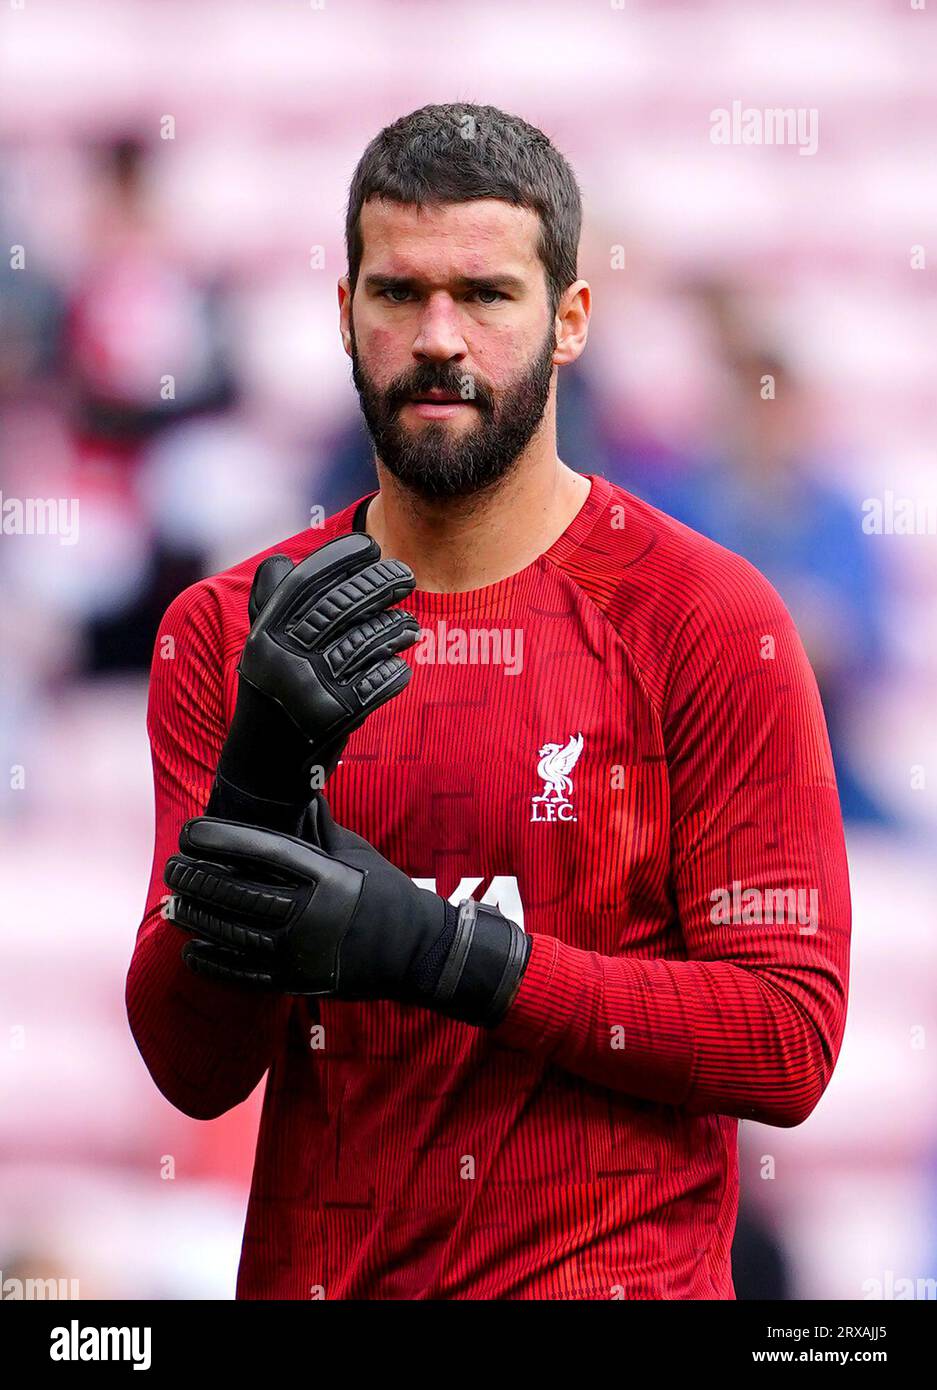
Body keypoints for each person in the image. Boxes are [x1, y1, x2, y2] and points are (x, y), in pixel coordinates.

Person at [126, 103, 851, 1300]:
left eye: (487, 295)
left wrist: (443, 953)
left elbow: (785, 1038)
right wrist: (252, 815)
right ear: (343, 313)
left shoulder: (708, 620)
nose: (437, 337)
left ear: (569, 320)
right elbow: (191, 1071)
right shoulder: (226, 632)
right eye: (398, 293)